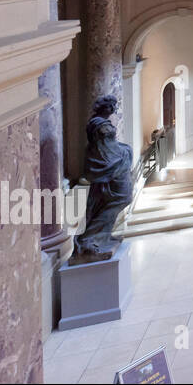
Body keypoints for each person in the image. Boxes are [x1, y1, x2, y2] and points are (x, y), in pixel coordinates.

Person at [74, 95, 134, 262]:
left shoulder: (100, 123)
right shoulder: (99, 125)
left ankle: (103, 236)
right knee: (120, 199)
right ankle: (89, 239)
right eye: (111, 106)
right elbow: (104, 149)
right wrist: (124, 152)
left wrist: (123, 150)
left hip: (110, 163)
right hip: (106, 167)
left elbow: (109, 146)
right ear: (104, 108)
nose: (113, 110)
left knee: (116, 201)